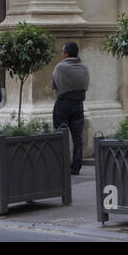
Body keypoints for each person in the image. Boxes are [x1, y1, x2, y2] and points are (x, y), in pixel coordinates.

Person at [51, 41, 90, 175]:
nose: (62, 54)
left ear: (66, 53)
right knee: (77, 137)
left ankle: (61, 165)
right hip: (79, 104)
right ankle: (76, 167)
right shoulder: (84, 68)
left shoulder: (60, 67)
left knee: (60, 134)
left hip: (63, 103)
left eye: (62, 51)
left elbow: (53, 86)